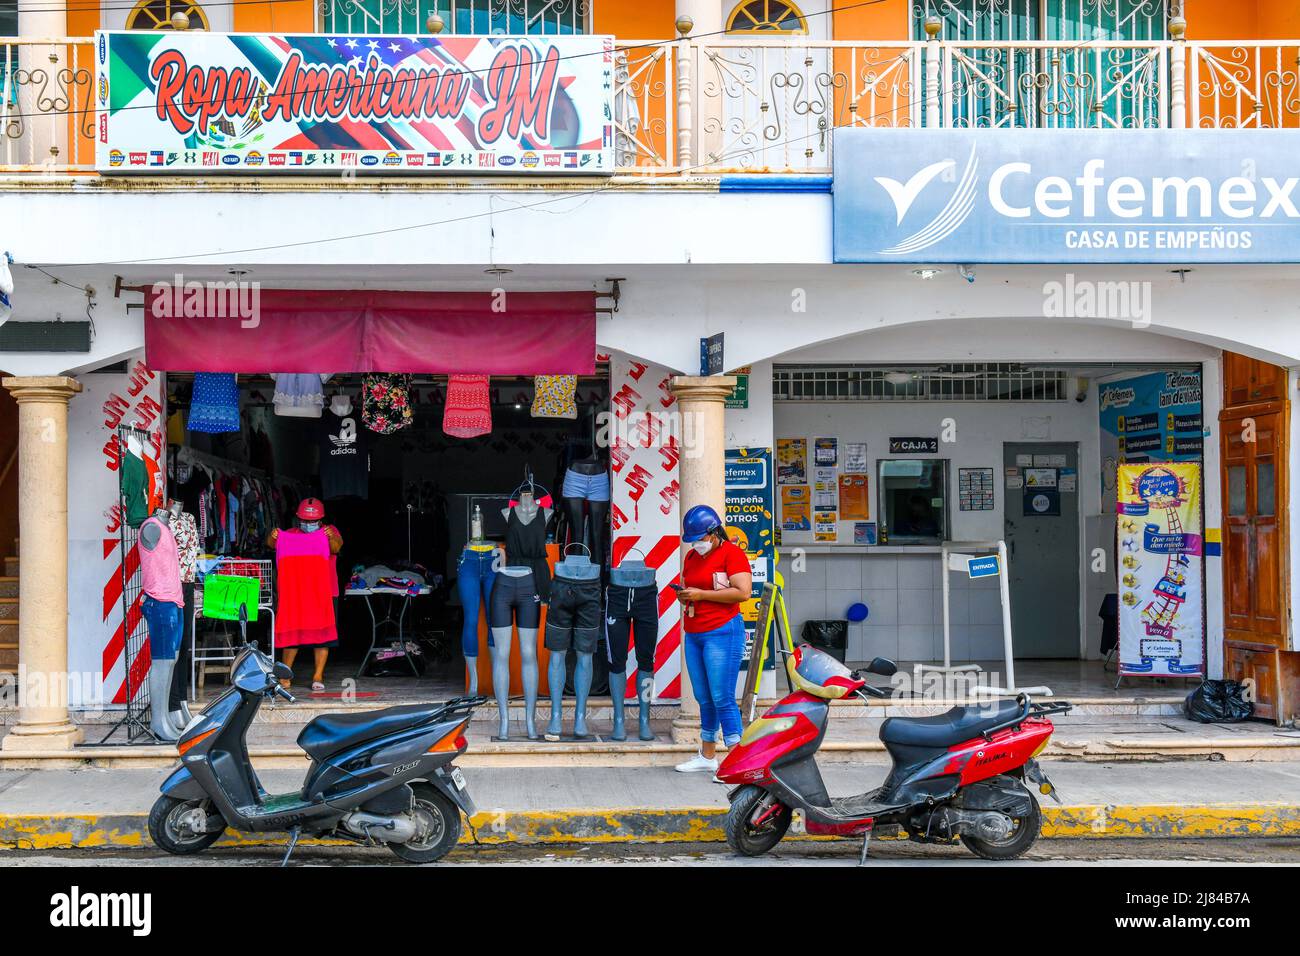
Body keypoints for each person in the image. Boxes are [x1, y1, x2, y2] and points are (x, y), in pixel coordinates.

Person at [673, 504, 752, 774]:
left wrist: (701, 595)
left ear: (714, 532)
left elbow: (743, 593)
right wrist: (685, 594)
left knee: (722, 697)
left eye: (700, 538)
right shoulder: (692, 557)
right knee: (704, 697)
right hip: (695, 633)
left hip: (723, 631)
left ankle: (737, 763)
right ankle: (707, 756)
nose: (696, 544)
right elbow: (692, 587)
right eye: (692, 540)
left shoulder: (733, 554)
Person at [268, 498, 343, 692]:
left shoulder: (330, 532)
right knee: (293, 632)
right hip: (297, 592)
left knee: (322, 636)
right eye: (306, 520)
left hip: (325, 591)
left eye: (313, 521)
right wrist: (274, 536)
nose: (309, 524)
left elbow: (336, 548)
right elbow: (270, 544)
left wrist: (330, 538)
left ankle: (318, 675)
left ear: (321, 519)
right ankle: (285, 676)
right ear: (298, 518)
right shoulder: (290, 535)